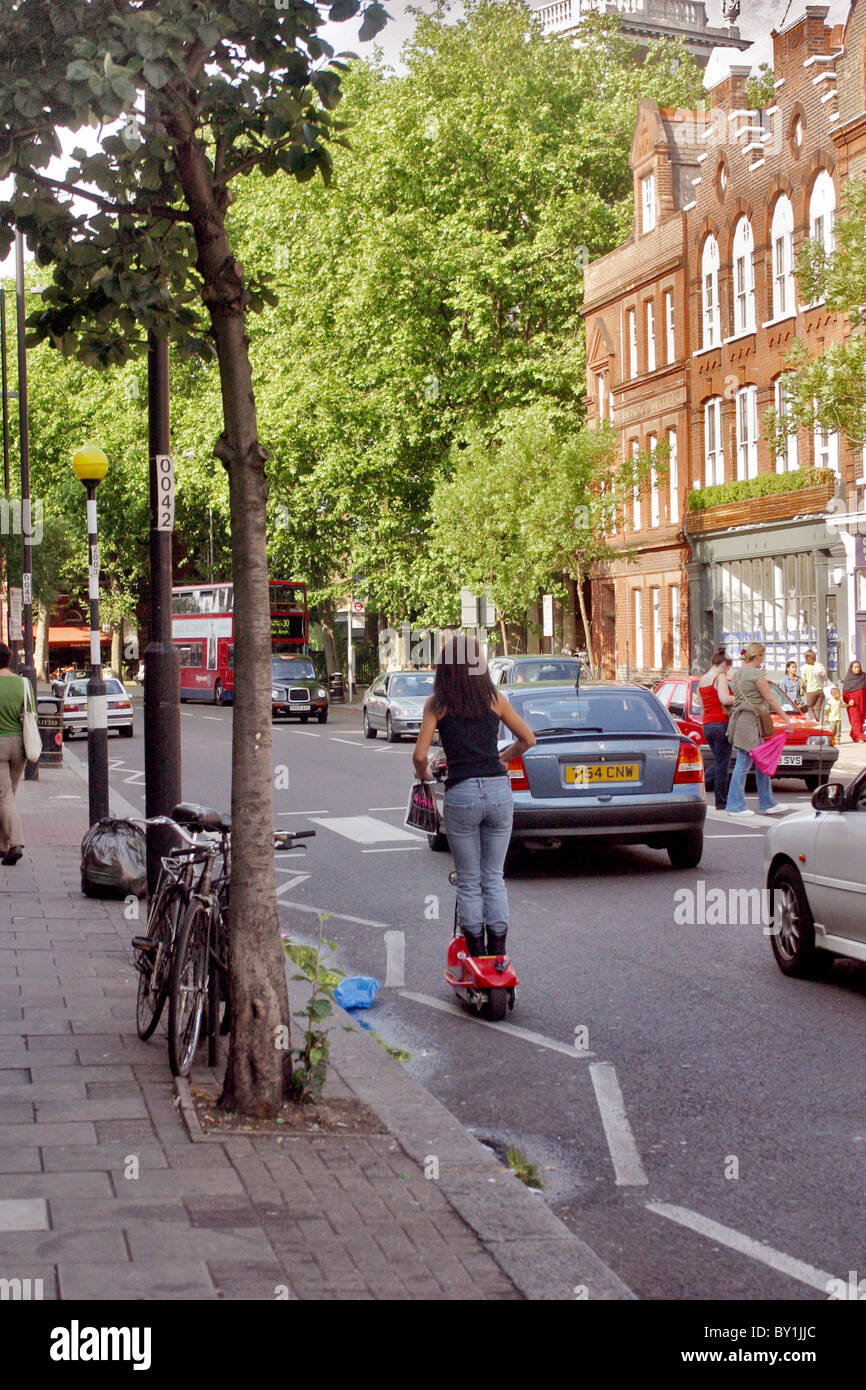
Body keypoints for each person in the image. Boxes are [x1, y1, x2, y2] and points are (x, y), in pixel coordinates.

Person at [412, 635, 535, 957]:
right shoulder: (495, 699)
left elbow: (421, 756)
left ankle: (476, 954)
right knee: (493, 877)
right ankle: (498, 954)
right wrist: (503, 759)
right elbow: (528, 739)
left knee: (468, 880)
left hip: (462, 793)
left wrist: (424, 776)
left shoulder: (437, 703)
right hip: (497, 791)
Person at [725, 641, 793, 816]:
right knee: (743, 763)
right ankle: (735, 806)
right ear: (758, 656)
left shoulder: (737, 674)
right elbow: (770, 699)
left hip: (740, 721)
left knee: (760, 762)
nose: (764, 659)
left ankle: (767, 802)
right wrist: (786, 718)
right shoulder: (756, 675)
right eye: (763, 655)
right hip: (751, 722)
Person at [697, 648, 735, 811]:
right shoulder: (719, 677)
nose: (727, 672)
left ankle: (698, 783)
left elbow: (701, 706)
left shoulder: (703, 679)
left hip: (707, 725)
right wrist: (740, 697)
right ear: (724, 665)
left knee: (719, 762)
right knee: (722, 764)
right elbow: (724, 699)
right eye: (728, 668)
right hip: (721, 723)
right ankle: (721, 801)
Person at [0, 642, 26, 864]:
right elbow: (31, 715)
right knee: (8, 795)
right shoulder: (23, 684)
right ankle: (2, 844)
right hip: (20, 745)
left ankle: (15, 843)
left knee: (3, 796)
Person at [842, 660, 866, 743]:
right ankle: (860, 737)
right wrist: (848, 701)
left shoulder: (864, 676)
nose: (857, 669)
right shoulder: (848, 679)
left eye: (858, 667)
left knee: (861, 719)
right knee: (855, 720)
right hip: (853, 705)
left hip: (863, 703)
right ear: (851, 668)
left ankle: (854, 734)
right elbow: (844, 693)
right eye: (855, 667)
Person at [801, 650, 826, 722]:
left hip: (811, 690)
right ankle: (817, 722)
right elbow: (825, 676)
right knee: (818, 708)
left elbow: (803, 680)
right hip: (821, 689)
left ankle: (814, 721)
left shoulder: (804, 668)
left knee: (809, 707)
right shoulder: (819, 665)